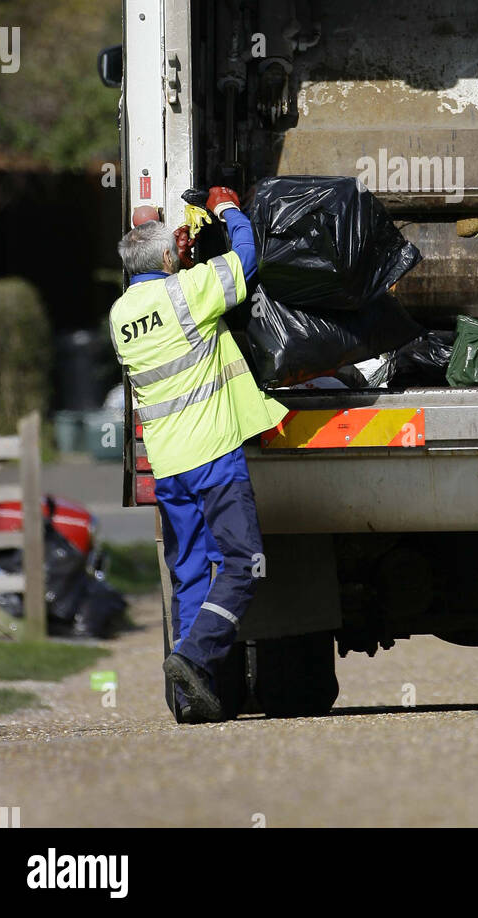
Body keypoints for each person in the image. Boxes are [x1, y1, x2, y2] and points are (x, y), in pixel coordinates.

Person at [109, 186, 287, 723]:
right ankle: (190, 656)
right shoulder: (190, 292)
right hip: (213, 459)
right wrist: (228, 208)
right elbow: (247, 259)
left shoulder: (120, 317)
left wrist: (181, 251)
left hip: (169, 468)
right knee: (244, 566)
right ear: (166, 259)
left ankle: (193, 700)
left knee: (188, 577)